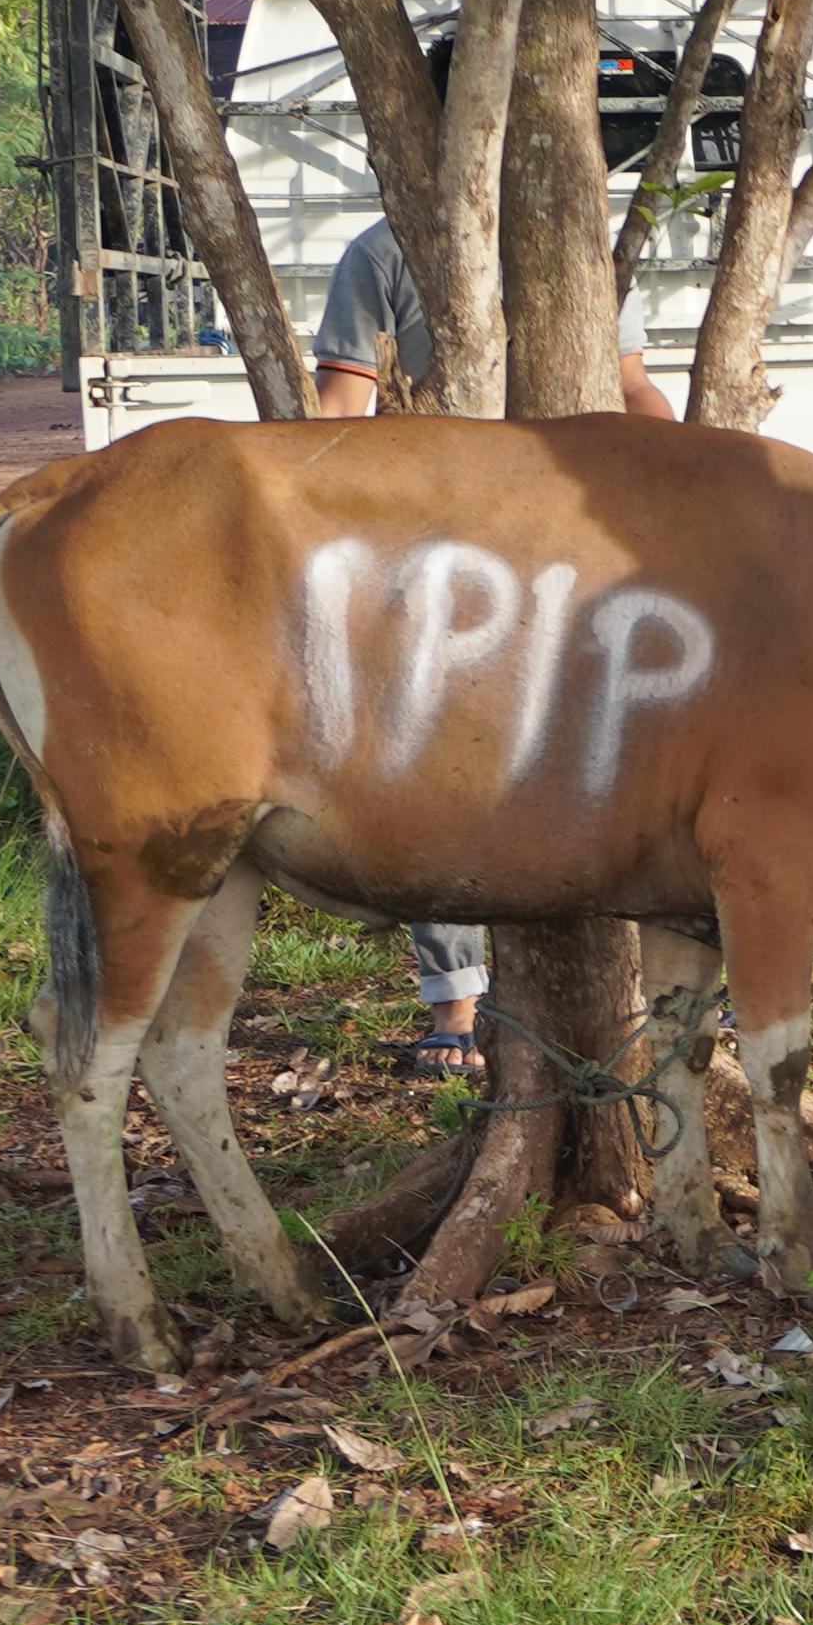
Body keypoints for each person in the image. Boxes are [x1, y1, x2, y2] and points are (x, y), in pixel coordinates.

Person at [302, 197, 678, 1076]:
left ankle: (463, 1017)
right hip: (532, 555)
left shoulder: (391, 247)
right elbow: (632, 388)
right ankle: (582, 1008)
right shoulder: (555, 236)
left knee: (447, 760)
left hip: (466, 564)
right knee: (572, 759)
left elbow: (340, 405)